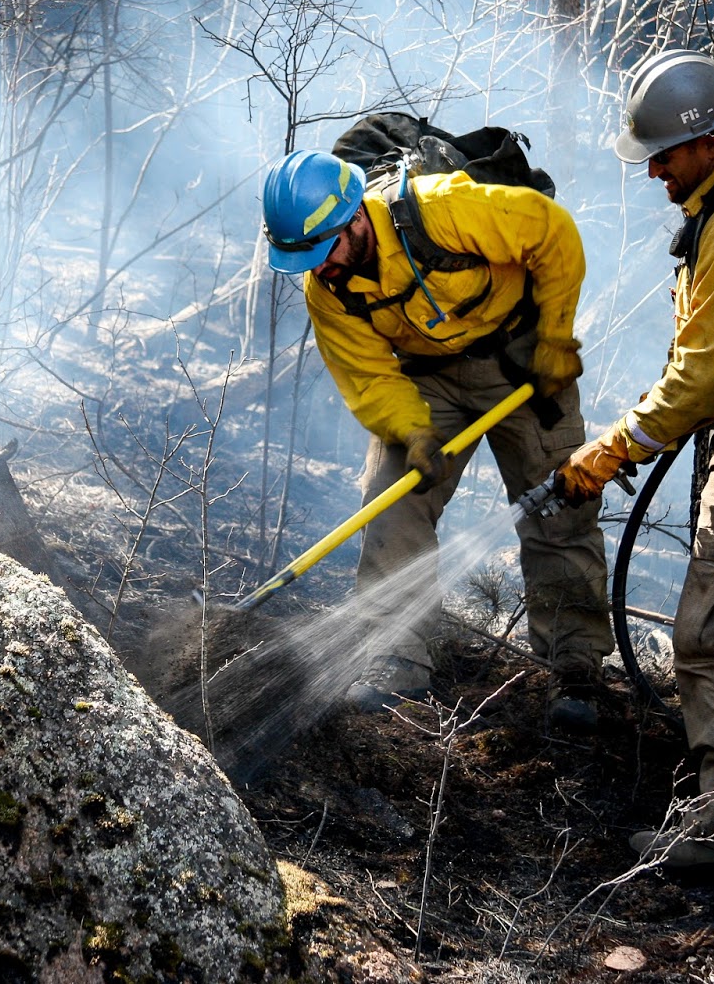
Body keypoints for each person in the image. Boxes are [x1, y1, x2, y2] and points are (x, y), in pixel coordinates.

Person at [260, 146, 612, 724]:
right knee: (390, 499)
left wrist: (555, 338)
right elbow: (369, 377)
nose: (321, 269)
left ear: (354, 217)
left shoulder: (442, 208)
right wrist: (413, 432)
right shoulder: (327, 289)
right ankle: (397, 657)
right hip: (429, 379)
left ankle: (575, 665)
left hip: (522, 357)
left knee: (559, 502)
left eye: (326, 251)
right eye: (308, 260)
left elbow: (552, 233)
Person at [554, 48, 714, 870]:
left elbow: (704, 375)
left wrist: (612, 449)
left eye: (665, 155)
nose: (654, 172)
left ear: (713, 140)